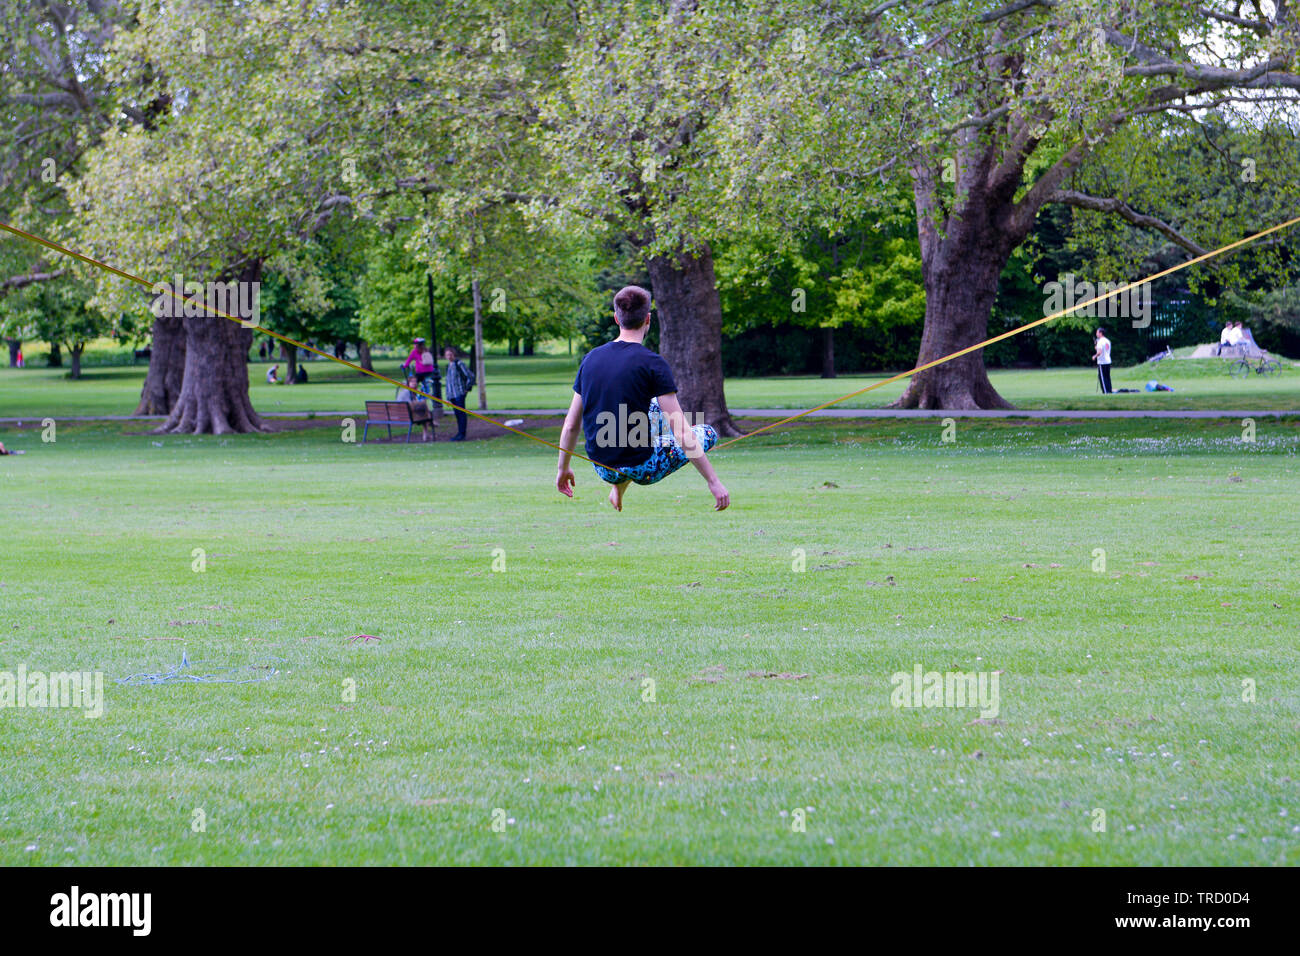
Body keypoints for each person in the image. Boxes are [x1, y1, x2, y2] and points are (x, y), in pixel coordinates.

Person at [556, 285, 730, 512]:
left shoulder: (590, 359)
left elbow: (571, 425)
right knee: (707, 432)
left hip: (603, 468)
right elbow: (681, 431)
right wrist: (713, 481)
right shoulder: (653, 363)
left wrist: (563, 469)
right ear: (648, 319)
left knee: (652, 406)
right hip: (644, 467)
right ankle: (623, 482)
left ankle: (617, 488)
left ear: (616, 319)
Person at [444, 346, 473, 441]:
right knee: (457, 414)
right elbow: (448, 382)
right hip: (452, 394)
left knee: (461, 414)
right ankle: (459, 433)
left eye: (450, 354)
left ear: (454, 354)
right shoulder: (448, 366)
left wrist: (467, 389)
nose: (449, 356)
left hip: (459, 393)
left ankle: (462, 434)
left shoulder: (459, 364)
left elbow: (470, 376)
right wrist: (448, 395)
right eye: (447, 355)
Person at [1093, 328, 1113, 394]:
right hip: (1108, 361)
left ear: (1101, 333)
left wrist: (1094, 356)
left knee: (1102, 378)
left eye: (1097, 332)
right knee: (1107, 377)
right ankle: (1109, 390)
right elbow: (1102, 349)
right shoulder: (1107, 340)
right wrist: (1096, 345)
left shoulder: (1100, 341)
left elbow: (1099, 352)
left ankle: (1105, 391)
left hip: (1102, 362)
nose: (1096, 334)